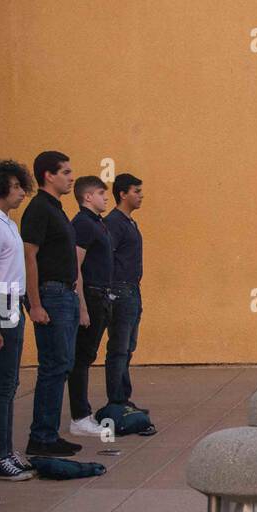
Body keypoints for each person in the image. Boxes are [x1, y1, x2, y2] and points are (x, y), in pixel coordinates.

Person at [0, 159, 36, 481]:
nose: (20, 192)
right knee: (2, 385)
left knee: (10, 383)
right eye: (15, 187)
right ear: (0, 188)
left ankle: (6, 447)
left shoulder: (9, 223)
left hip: (14, 306)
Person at [21, 150, 81, 457]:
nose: (71, 177)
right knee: (53, 366)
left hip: (66, 294)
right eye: (66, 172)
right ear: (48, 175)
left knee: (62, 366)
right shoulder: (39, 209)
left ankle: (49, 433)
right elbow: (29, 255)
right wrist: (35, 303)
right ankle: (41, 436)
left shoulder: (56, 208)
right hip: (51, 294)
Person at [67, 175, 113, 437]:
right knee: (81, 358)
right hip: (91, 297)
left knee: (87, 356)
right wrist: (82, 306)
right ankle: (79, 417)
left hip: (102, 297)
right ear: (87, 197)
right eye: (100, 193)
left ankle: (83, 413)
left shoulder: (98, 223)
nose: (105, 197)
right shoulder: (83, 224)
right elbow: (76, 267)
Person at [104, 173, 147, 415]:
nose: (141, 196)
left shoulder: (129, 222)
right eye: (136, 191)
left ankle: (123, 397)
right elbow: (106, 256)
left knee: (128, 346)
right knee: (119, 347)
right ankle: (116, 401)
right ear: (122, 194)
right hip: (120, 291)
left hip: (132, 288)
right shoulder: (114, 223)